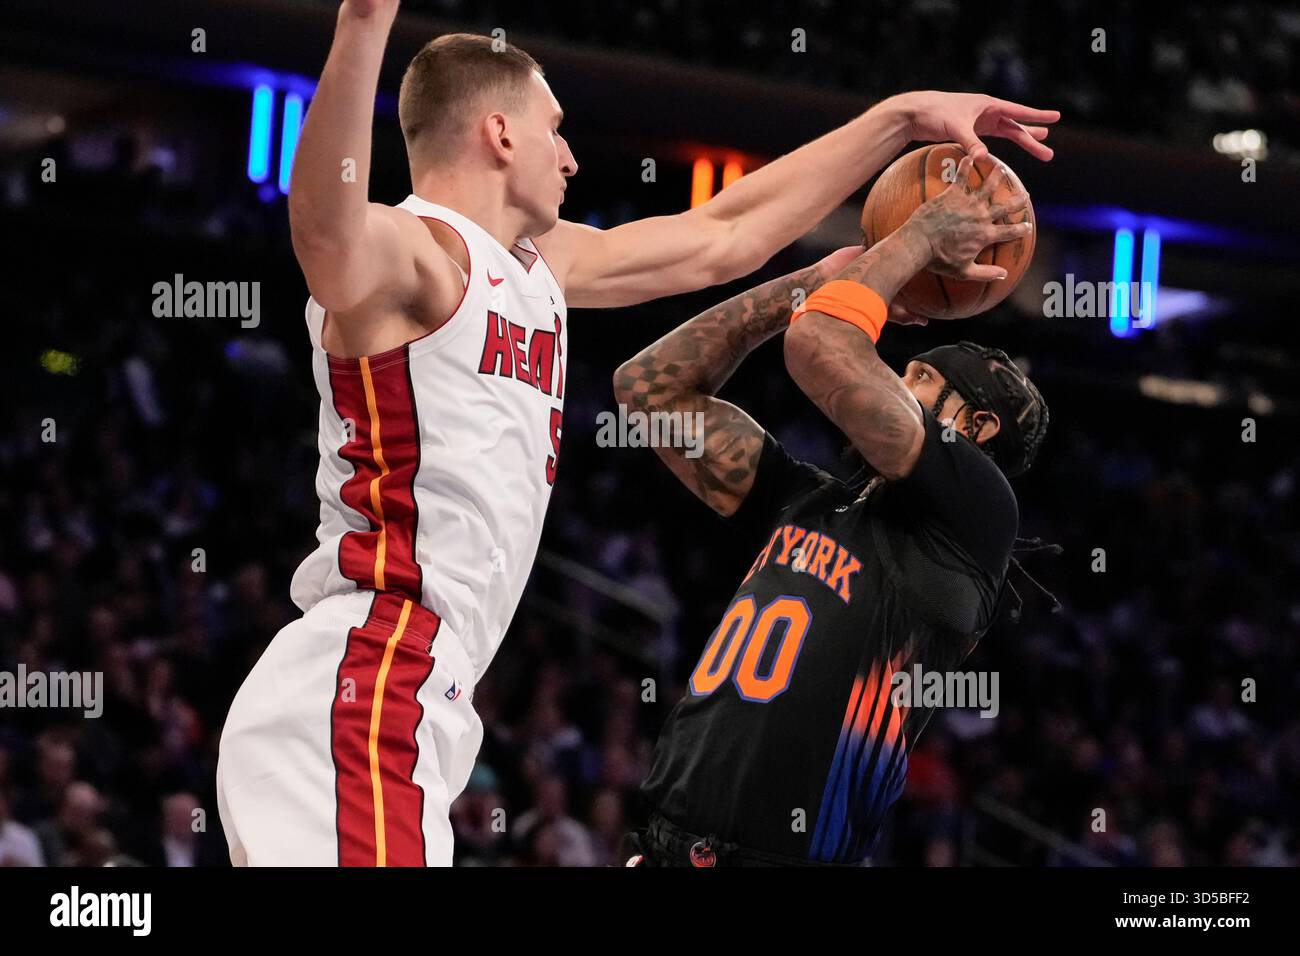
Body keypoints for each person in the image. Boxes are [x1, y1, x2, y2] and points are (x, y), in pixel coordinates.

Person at [217, 0, 1059, 866]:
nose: (574, 155)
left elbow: (723, 237)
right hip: (370, 667)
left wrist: (902, 118)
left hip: (428, 689)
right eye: (557, 130)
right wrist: (362, 24)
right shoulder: (419, 255)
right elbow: (326, 230)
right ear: (500, 134)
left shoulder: (543, 268)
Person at [614, 152, 1050, 865]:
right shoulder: (807, 500)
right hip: (660, 846)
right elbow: (647, 393)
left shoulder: (976, 518)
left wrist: (911, 240)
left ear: (976, 430)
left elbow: (821, 345)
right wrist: (807, 286)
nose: (891, 374)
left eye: (918, 377)